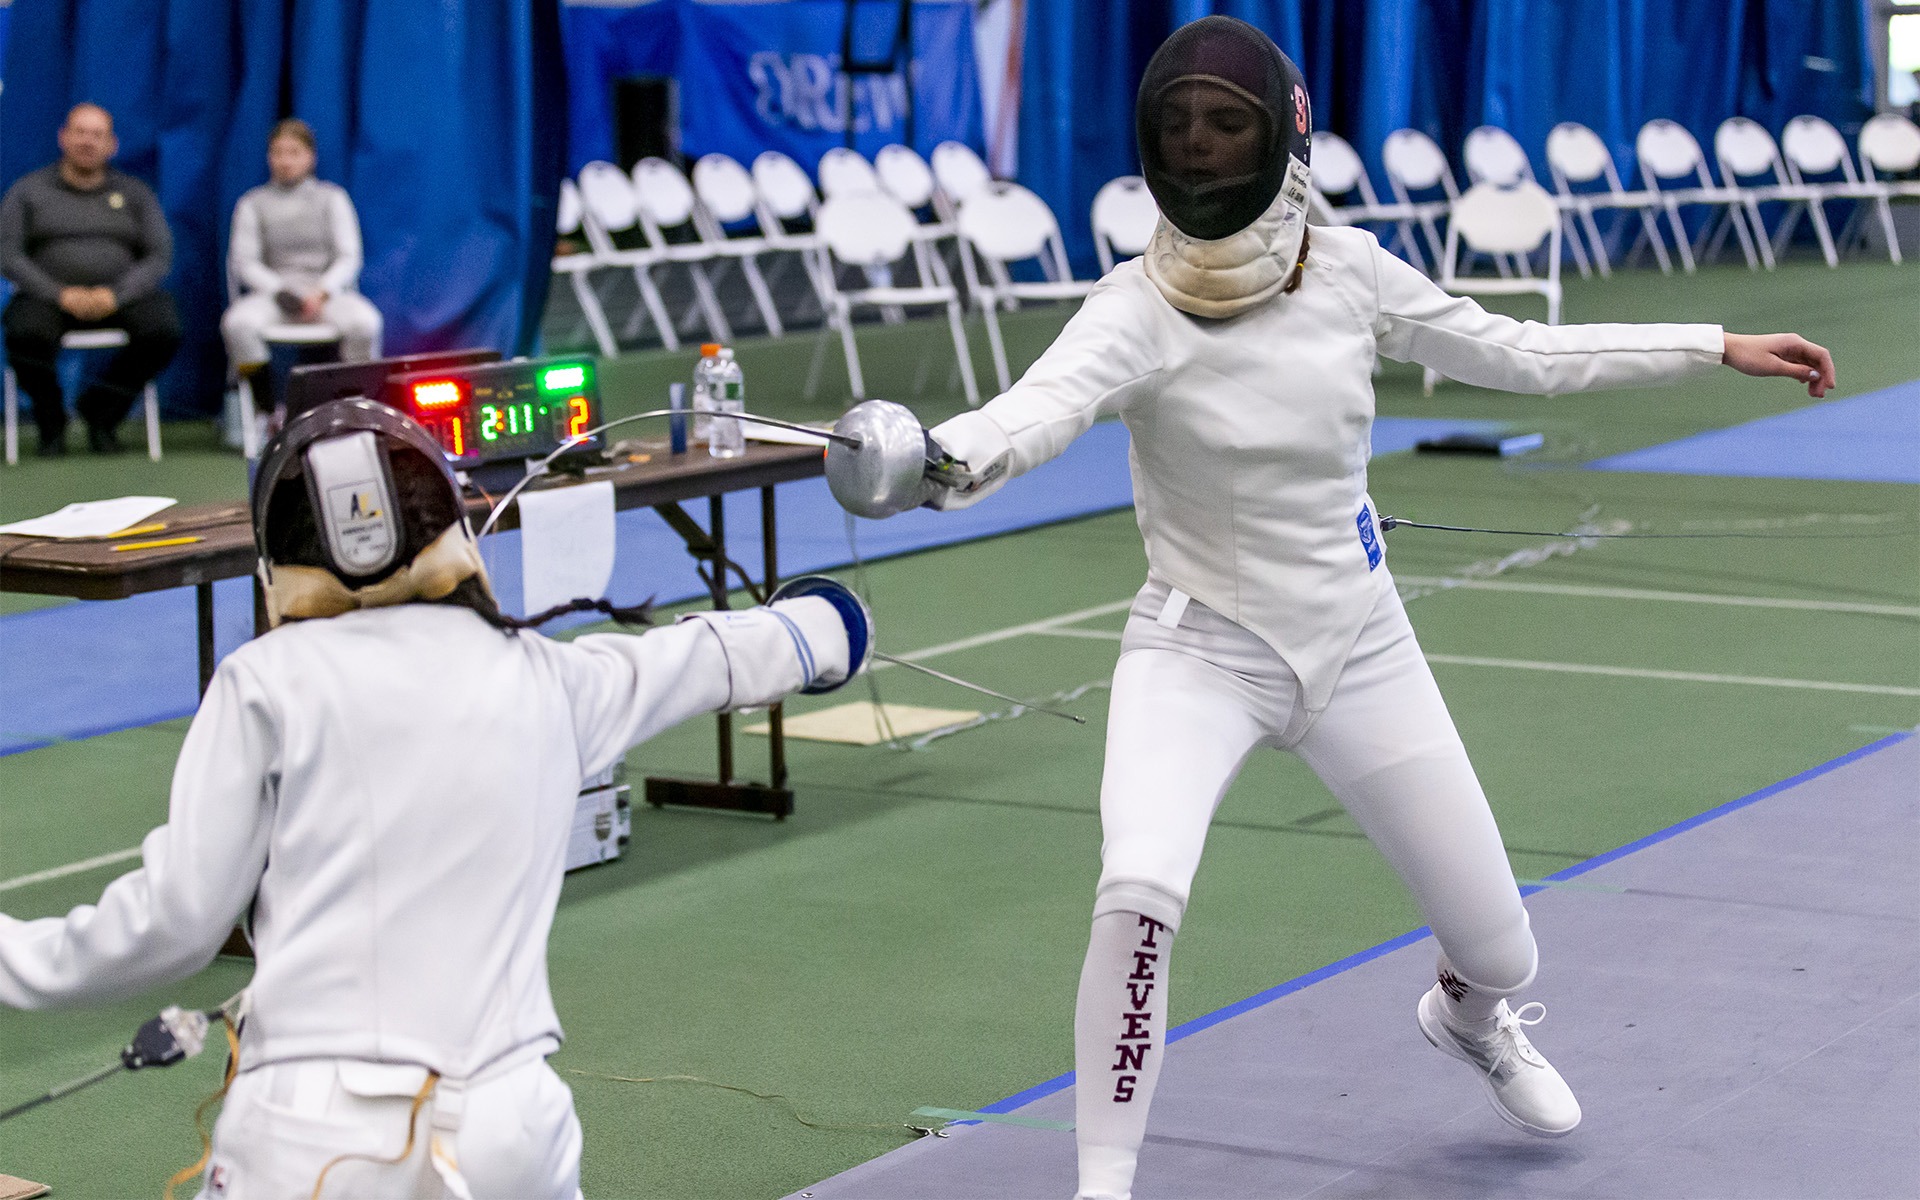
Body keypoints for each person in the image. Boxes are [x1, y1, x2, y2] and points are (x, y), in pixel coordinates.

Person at [898, 19, 1837, 1200]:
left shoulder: (1351, 274)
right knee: (1139, 889)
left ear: (1281, 137)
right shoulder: (1130, 307)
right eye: (1178, 129)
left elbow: (1526, 352)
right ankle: (1102, 1185)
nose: (1197, 151)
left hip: (1359, 647)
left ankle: (1472, 1023)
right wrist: (943, 457)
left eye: (1224, 126)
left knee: (1500, 949)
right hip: (1198, 652)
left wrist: (1713, 343)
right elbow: (1033, 409)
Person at [0, 399, 868, 1198]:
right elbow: (712, 657)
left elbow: (177, 923)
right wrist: (828, 628)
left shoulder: (268, 681)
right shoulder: (546, 674)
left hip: (317, 1134)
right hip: (510, 1128)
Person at [0, 102, 181, 455]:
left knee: (164, 327)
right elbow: (8, 255)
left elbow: (160, 256)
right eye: (80, 132)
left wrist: (116, 294)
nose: (87, 141)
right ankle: (50, 420)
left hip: (118, 298)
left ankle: (101, 412)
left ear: (111, 144)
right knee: (23, 332)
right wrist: (59, 294)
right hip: (48, 298)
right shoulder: (28, 191)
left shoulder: (135, 193)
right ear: (63, 137)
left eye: (97, 135)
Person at [222, 118, 383, 379]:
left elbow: (349, 256)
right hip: (275, 297)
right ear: (268, 157)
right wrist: (281, 292)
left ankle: (357, 402)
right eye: (278, 153)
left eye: (294, 153)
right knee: (238, 324)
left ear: (311, 157)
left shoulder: (333, 198)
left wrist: (322, 291)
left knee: (365, 323)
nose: (285, 162)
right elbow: (245, 262)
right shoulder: (252, 203)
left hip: (325, 297)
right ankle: (263, 410)